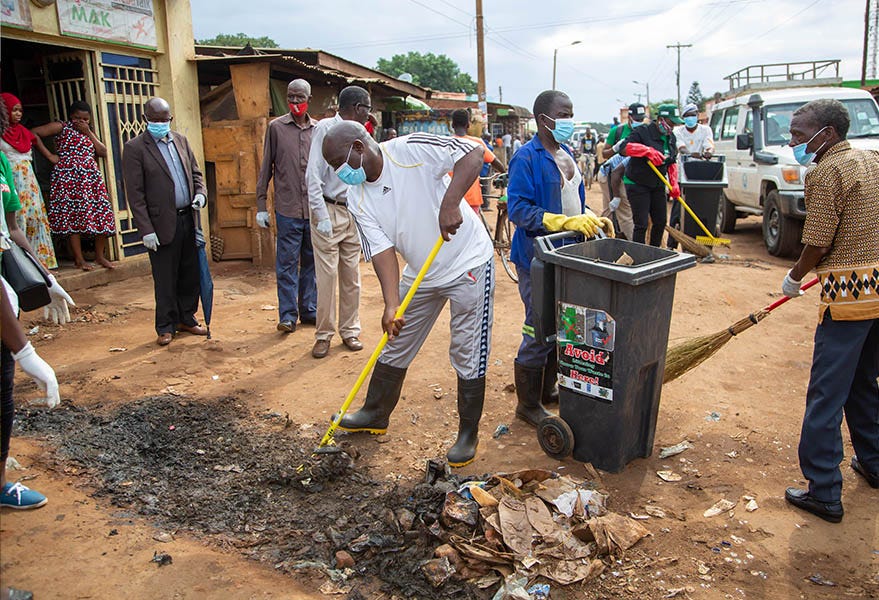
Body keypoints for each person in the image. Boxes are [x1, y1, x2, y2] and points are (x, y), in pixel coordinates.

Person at [321, 121, 494, 468]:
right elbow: (382, 250)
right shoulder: (357, 198)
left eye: (339, 162)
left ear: (358, 147)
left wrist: (450, 203)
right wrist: (391, 304)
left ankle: (468, 433)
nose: (339, 173)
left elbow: (474, 153)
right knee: (395, 338)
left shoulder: (409, 150)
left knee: (467, 348)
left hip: (467, 261)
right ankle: (375, 412)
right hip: (421, 272)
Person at [780, 98, 879, 523]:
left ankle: (823, 491)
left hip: (849, 299)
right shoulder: (872, 160)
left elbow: (818, 242)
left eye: (799, 135)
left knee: (826, 394)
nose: (793, 143)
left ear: (828, 134)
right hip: (878, 291)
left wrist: (795, 276)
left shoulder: (824, 172)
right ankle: (874, 462)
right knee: (863, 382)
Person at [507, 90, 610, 428]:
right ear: (543, 119)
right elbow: (519, 210)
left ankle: (547, 387)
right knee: (538, 326)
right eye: (563, 115)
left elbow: (572, 201)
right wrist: (562, 222)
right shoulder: (526, 158)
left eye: (571, 114)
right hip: (537, 259)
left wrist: (589, 217)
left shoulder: (567, 153)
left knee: (563, 324)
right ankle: (527, 405)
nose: (569, 121)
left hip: (569, 256)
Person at [122, 97, 208, 346]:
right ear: (145, 119)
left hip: (187, 218)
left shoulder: (180, 140)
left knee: (189, 273)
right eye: (155, 120)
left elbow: (196, 174)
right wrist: (146, 229)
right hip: (160, 224)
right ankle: (165, 325)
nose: (160, 124)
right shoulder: (135, 148)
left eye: (164, 119)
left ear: (170, 118)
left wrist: (200, 194)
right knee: (165, 277)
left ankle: (186, 318)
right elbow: (135, 194)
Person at [305, 86, 371, 359]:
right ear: (356, 107)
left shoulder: (362, 133)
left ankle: (350, 330)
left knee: (351, 277)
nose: (369, 114)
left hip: (352, 211)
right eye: (367, 108)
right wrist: (320, 215)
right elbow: (312, 175)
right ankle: (323, 335)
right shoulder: (326, 129)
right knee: (327, 277)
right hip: (329, 209)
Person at [255, 79, 318, 334]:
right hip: (287, 210)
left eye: (299, 97)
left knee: (311, 263)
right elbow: (266, 168)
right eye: (290, 97)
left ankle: (309, 310)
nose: (295, 102)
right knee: (287, 264)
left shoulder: (318, 130)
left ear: (309, 99)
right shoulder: (276, 128)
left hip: (313, 211)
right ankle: (288, 316)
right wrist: (261, 205)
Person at [32, 101, 116, 271]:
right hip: (68, 180)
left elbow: (103, 151)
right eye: (78, 118)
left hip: (90, 180)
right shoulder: (61, 127)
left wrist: (88, 132)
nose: (81, 122)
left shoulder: (89, 132)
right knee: (73, 217)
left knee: (102, 214)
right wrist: (50, 156)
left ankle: (100, 256)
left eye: (85, 119)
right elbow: (33, 133)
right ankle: (79, 259)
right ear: (71, 116)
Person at [1, 93, 57, 269]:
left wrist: (49, 155)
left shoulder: (24, 132)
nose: (18, 114)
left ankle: (41, 264)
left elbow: (35, 140)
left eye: (20, 110)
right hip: (11, 181)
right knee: (16, 220)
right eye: (14, 110)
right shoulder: (2, 135)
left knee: (34, 217)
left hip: (29, 183)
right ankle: (21, 266)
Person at [617, 103, 682, 246]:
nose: (672, 127)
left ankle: (654, 251)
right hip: (637, 182)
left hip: (657, 183)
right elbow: (623, 149)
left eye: (674, 124)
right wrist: (646, 151)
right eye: (670, 123)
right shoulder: (642, 132)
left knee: (660, 221)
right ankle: (639, 254)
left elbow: (671, 162)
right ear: (660, 119)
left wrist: (674, 183)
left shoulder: (671, 138)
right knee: (641, 223)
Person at [668, 103, 715, 249]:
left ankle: (703, 245)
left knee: (701, 210)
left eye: (693, 115)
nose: (690, 118)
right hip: (682, 176)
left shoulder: (705, 130)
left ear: (697, 116)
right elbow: (681, 148)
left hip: (700, 175)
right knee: (677, 211)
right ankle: (672, 244)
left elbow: (709, 145)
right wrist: (691, 154)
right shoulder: (678, 131)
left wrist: (708, 152)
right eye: (687, 116)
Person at [450, 109, 505, 214]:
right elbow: (496, 162)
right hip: (471, 198)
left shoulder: (445, 144)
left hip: (450, 198)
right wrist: (504, 172)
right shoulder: (477, 143)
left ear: (452, 125)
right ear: (468, 125)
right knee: (473, 224)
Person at [601, 152, 635, 240]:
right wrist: (616, 196)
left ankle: (603, 238)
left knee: (609, 211)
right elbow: (615, 173)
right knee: (625, 213)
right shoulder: (634, 157)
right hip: (609, 175)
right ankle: (631, 243)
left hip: (606, 174)